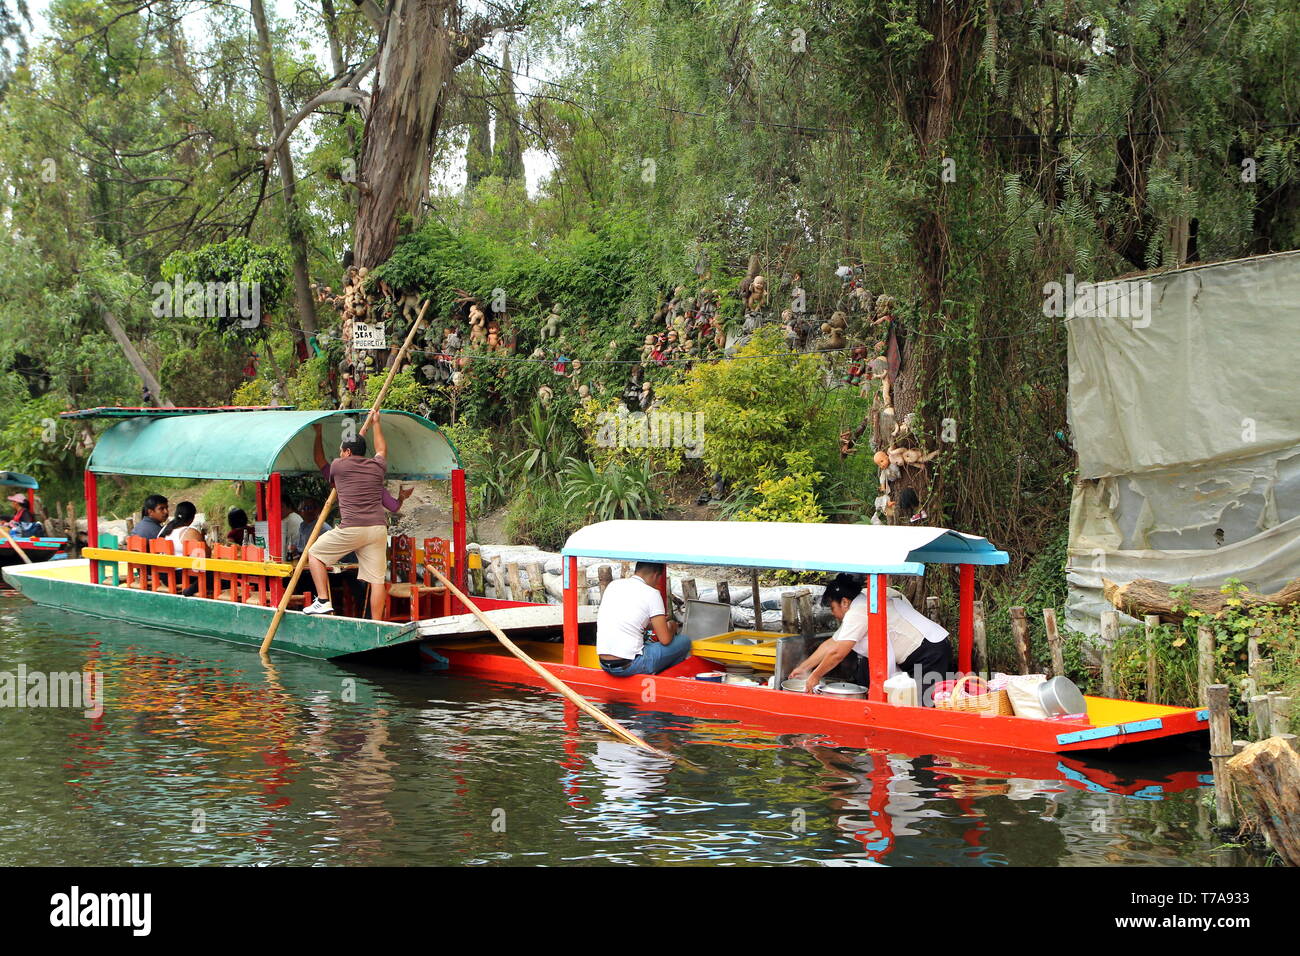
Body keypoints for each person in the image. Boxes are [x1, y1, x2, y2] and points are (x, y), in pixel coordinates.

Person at [788, 576, 952, 703]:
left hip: (929, 650)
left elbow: (837, 652)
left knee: (924, 704)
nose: (833, 614)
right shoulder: (861, 601)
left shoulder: (858, 610)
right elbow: (831, 643)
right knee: (912, 701)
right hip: (924, 648)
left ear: (844, 602)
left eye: (833, 608)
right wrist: (803, 668)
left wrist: (815, 676)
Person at [302, 411, 391, 619]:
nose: (340, 454)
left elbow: (319, 460)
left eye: (342, 451)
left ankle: (323, 601)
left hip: (352, 527)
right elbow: (381, 449)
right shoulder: (378, 466)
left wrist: (318, 434)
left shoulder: (338, 465)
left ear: (348, 452)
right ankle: (377, 624)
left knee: (314, 555)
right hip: (378, 528)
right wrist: (377, 423)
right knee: (377, 580)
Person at [596, 561, 693, 676]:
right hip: (630, 665)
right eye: (658, 579)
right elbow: (665, 640)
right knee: (684, 642)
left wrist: (653, 625)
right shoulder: (652, 593)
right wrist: (671, 626)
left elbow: (629, 620)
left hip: (604, 663)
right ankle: (665, 678)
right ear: (655, 575)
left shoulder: (613, 585)